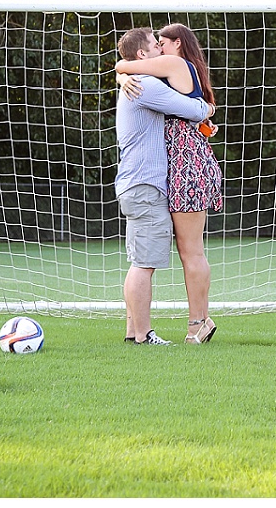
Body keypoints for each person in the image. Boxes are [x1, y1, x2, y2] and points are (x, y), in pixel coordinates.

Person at [115, 23, 222, 345]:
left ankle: (194, 324)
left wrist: (122, 72)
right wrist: (122, 76)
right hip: (157, 177)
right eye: (155, 43)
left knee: (187, 253)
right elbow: (196, 108)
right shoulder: (148, 82)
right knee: (149, 261)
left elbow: (123, 64)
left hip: (182, 169)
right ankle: (141, 333)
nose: (160, 48)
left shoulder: (170, 67)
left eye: (163, 42)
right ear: (144, 53)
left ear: (177, 44)